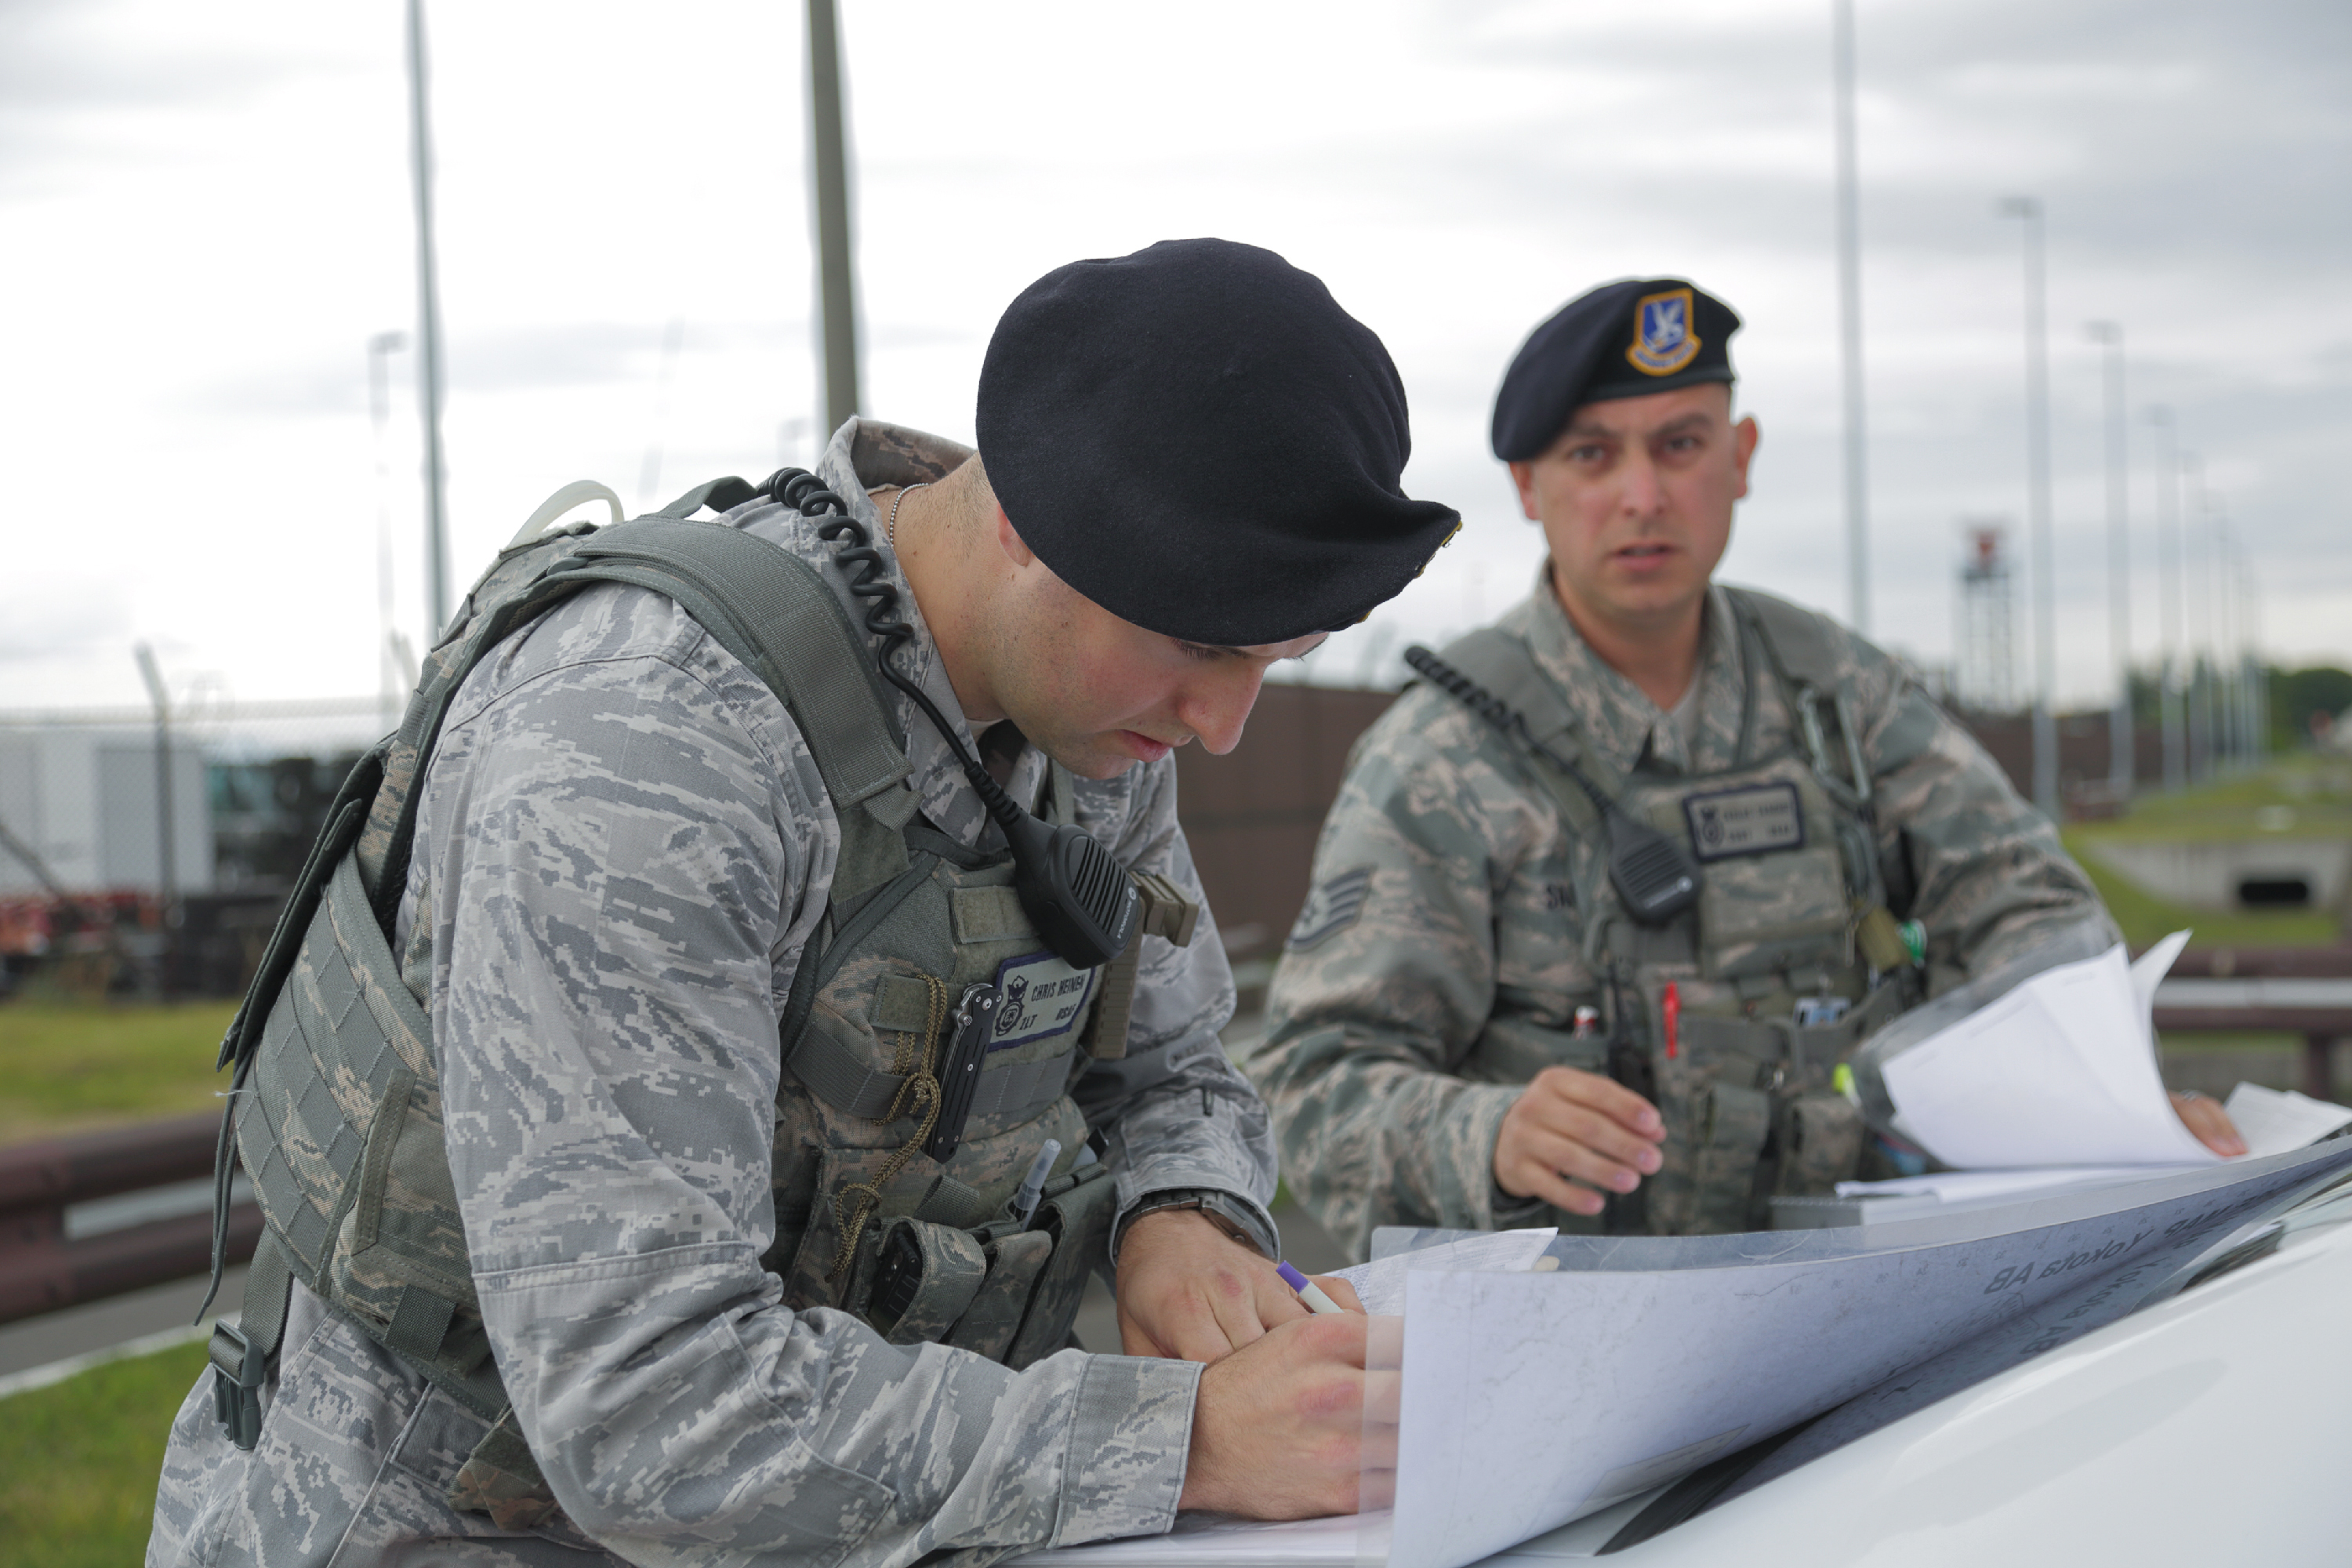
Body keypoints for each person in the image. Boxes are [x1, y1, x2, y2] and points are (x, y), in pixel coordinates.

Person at [148, 239, 1454, 1566]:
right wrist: (1180, 1444)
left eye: (1278, 658)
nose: (1224, 725)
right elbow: (652, 1410)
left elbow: (1172, 1067)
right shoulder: (649, 747)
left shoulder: (1086, 717)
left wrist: (1182, 1215)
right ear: (1023, 522)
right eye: (1201, 644)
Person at [1247, 277, 2242, 1260]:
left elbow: (2028, 903)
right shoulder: (1447, 758)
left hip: (1864, 1290)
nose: (1644, 496)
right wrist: (1489, 1134)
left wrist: (2115, 1100)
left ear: (1742, 455)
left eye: (1681, 444)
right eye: (1592, 455)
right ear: (1525, 485)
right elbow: (1316, 1082)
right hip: (1580, 1337)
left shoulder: (1838, 697)